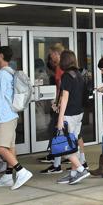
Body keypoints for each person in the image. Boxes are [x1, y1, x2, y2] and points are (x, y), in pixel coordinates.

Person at [0, 46, 32, 190]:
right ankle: (8, 176)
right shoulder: (11, 72)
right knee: (10, 146)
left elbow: (0, 98)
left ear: (1, 56)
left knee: (0, 148)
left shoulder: (1, 74)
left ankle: (21, 171)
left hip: (3, 116)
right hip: (12, 114)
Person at [53, 50, 91, 185]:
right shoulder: (79, 75)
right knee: (73, 144)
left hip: (69, 115)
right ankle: (73, 174)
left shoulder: (67, 76)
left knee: (65, 146)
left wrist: (60, 118)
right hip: (79, 114)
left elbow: (64, 99)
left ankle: (81, 169)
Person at [40, 43, 66, 173]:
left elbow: (62, 88)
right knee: (60, 133)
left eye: (51, 54)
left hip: (60, 104)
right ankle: (59, 161)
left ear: (56, 54)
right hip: (61, 103)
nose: (50, 57)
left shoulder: (60, 68)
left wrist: (56, 103)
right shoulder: (60, 67)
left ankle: (58, 164)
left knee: (56, 132)